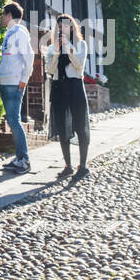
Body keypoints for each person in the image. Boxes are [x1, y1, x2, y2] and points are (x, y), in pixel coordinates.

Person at [43, 12, 90, 181]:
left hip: (75, 87)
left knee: (80, 126)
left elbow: (79, 65)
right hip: (58, 87)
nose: (63, 29)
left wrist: (68, 47)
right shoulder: (51, 48)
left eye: (66, 25)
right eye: (60, 26)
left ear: (72, 28)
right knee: (63, 128)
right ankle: (67, 166)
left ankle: (83, 166)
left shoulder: (80, 45)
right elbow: (49, 70)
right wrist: (56, 52)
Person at [0, 1, 35, 173]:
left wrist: (25, 78)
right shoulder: (9, 33)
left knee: (14, 120)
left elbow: (28, 56)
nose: (1, 18)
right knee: (11, 120)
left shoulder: (20, 32)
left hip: (14, 82)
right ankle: (19, 157)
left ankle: (24, 160)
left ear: (9, 15)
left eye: (3, 14)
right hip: (5, 81)